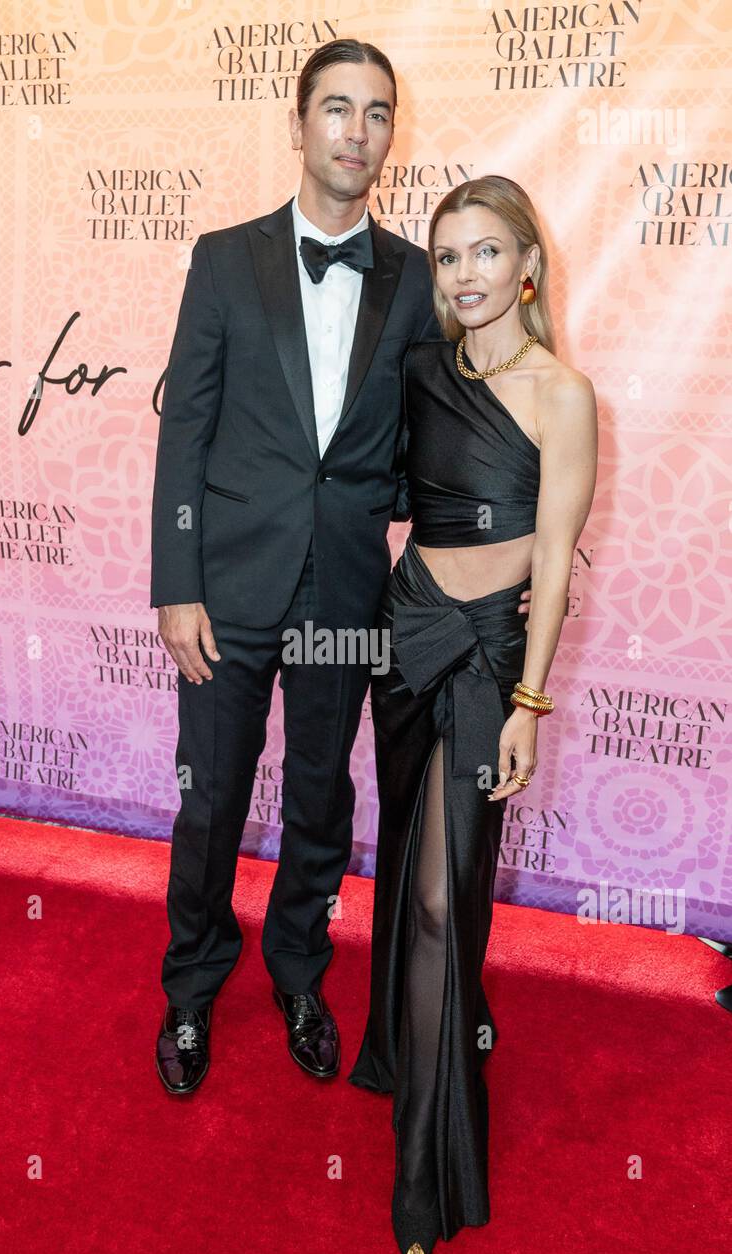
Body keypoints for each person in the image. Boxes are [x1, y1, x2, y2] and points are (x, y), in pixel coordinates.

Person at [150, 40, 535, 1093]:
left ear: (388, 135)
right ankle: (190, 991)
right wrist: (173, 582)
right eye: (336, 109)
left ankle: (298, 974)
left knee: (321, 796)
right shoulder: (224, 258)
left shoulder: (417, 276)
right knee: (212, 795)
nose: (355, 132)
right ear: (298, 122)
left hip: (348, 585)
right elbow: (185, 426)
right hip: (226, 584)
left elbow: (445, 420)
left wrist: (519, 521)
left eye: (375, 113)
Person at [348, 175, 598, 1254]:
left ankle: (425, 1173)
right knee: (404, 849)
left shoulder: (562, 395)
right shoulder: (418, 373)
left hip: (489, 654)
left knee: (448, 894)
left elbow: (551, 562)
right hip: (403, 637)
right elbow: (368, 487)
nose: (463, 274)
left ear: (526, 266)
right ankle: (405, 1043)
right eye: (446, 257)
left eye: (484, 253)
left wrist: (529, 705)